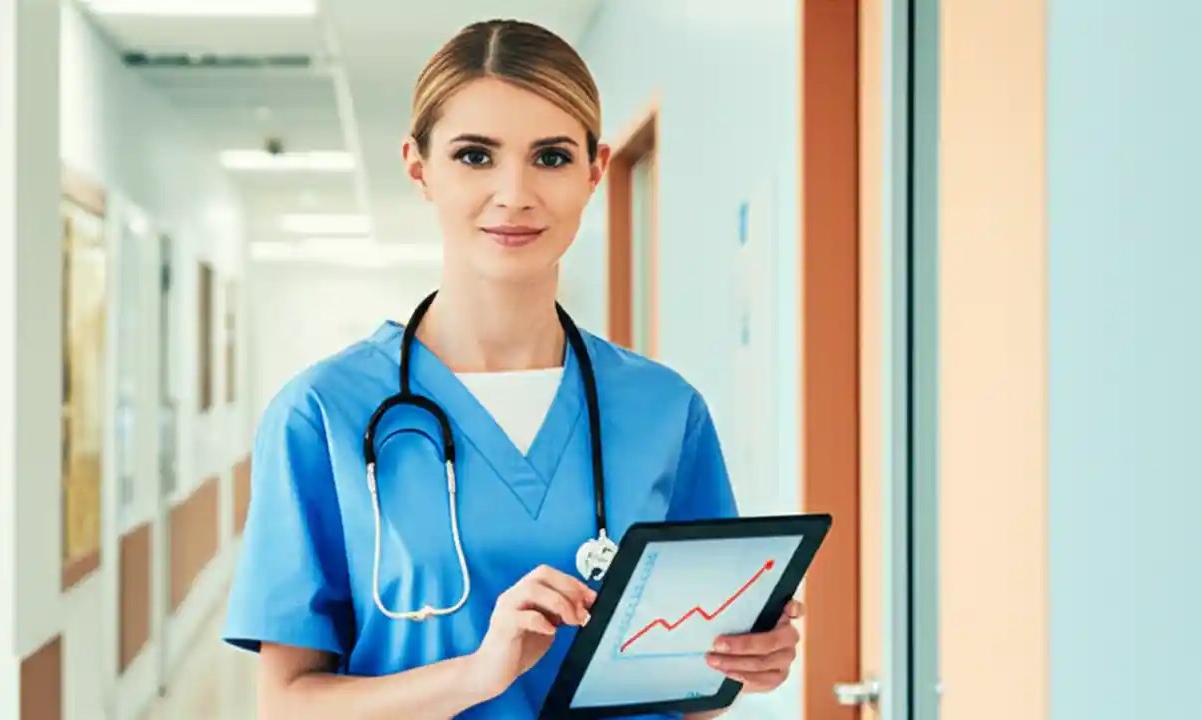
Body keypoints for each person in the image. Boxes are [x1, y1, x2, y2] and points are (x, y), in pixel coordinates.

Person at [222, 18, 803, 719]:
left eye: (551, 157)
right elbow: (287, 705)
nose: (515, 192)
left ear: (595, 171)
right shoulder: (323, 412)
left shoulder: (663, 410)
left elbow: (690, 697)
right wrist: (476, 676)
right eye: (475, 156)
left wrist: (741, 666)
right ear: (418, 167)